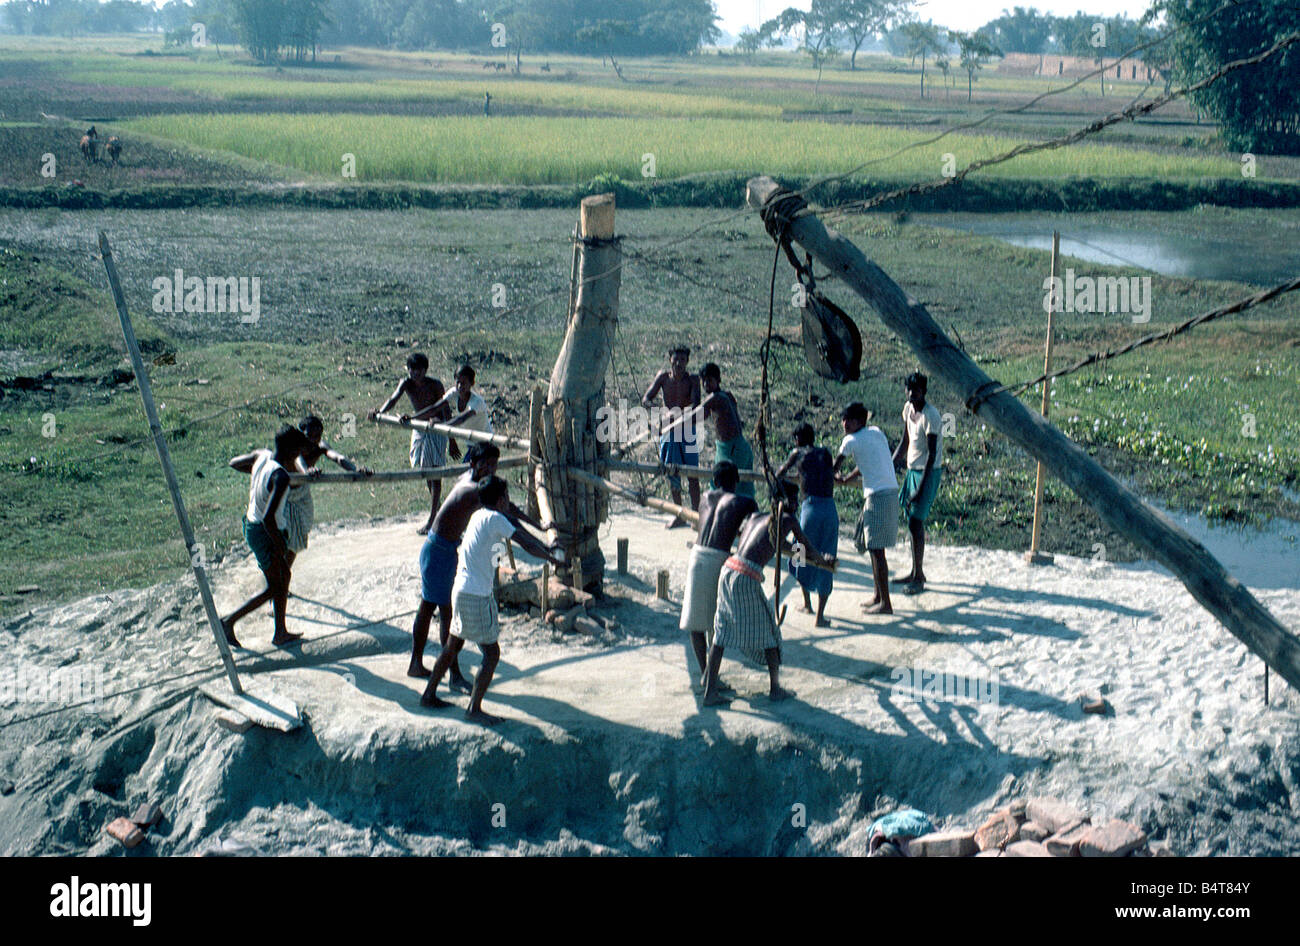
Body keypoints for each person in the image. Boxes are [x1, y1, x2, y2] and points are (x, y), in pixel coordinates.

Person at [420, 476, 562, 725]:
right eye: (506, 497)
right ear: (500, 500)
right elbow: (524, 541)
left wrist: (546, 548)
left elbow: (523, 536)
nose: (509, 501)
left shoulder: (477, 515)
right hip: (476, 594)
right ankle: (474, 708)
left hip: (460, 589)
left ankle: (429, 694)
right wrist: (551, 557)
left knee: (453, 645)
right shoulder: (496, 518)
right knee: (491, 654)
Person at [702, 482, 835, 707]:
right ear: (781, 501)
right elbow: (805, 548)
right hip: (744, 576)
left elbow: (781, 546)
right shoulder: (788, 519)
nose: (795, 503)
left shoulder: (757, 517)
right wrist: (822, 560)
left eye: (796, 499)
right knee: (770, 635)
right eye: (792, 499)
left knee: (721, 634)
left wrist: (807, 556)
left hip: (728, 570)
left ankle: (709, 690)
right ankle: (775, 689)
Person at [221, 425, 312, 648]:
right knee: (275, 586)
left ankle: (280, 631)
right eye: (298, 451)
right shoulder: (280, 477)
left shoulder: (263, 457)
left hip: (254, 525)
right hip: (265, 532)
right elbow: (269, 518)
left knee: (283, 578)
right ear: (291, 451)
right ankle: (228, 622)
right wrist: (280, 544)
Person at [678, 461, 757, 690]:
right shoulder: (745, 501)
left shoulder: (705, 497)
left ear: (714, 481)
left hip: (696, 555)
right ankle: (711, 680)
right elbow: (756, 527)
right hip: (716, 560)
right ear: (737, 481)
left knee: (696, 621)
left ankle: (706, 674)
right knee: (718, 624)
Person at [368, 352, 450, 535]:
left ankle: (433, 518)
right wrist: (379, 413)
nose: (415, 374)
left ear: (425, 370)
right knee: (425, 470)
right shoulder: (406, 383)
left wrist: (451, 439)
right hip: (419, 427)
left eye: (419, 371)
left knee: (434, 472)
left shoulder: (435, 384)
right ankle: (438, 513)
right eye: (412, 370)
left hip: (436, 427)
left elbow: (445, 409)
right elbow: (393, 399)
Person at [833, 403, 899, 615]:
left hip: (878, 495)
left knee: (878, 552)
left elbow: (835, 466)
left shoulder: (850, 440)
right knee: (874, 549)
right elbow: (866, 461)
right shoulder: (876, 432)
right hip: (888, 491)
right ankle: (878, 595)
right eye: (843, 419)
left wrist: (833, 476)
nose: (845, 424)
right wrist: (848, 478)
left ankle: (885, 603)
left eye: (849, 420)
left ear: (860, 421)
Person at [775, 423, 838, 626]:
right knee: (827, 557)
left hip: (810, 508)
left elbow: (780, 473)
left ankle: (807, 604)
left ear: (798, 439)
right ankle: (820, 616)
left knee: (801, 553)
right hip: (829, 509)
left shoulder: (798, 452)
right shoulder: (826, 453)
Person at [892, 372, 943, 595]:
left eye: (917, 391)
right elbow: (905, 441)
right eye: (910, 391)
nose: (913, 396)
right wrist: (890, 464)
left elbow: (932, 456)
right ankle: (915, 572)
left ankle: (919, 576)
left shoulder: (932, 416)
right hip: (912, 470)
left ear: (924, 391)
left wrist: (921, 489)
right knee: (911, 523)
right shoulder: (907, 409)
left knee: (915, 521)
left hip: (928, 472)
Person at [642, 346, 702, 528]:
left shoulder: (693, 380)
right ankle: (679, 514)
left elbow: (697, 403)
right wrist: (662, 413)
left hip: (688, 430)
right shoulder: (663, 377)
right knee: (672, 472)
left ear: (687, 362)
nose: (678, 364)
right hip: (668, 431)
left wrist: (679, 414)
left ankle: (696, 516)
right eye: (675, 360)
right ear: (670, 360)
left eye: (682, 360)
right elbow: (646, 399)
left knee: (692, 474)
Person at [700, 362, 755, 499]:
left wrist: (672, 423)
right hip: (738, 447)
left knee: (721, 486)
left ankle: (718, 517)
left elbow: (696, 416)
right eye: (704, 381)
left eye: (710, 380)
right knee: (742, 487)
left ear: (718, 380)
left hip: (732, 449)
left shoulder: (715, 398)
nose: (706, 384)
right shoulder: (727, 395)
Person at [431, 363, 493, 461]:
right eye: (458, 382)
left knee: (469, 471)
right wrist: (413, 418)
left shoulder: (477, 401)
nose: (460, 386)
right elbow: (435, 407)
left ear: (471, 383)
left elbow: (462, 418)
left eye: (463, 383)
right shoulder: (454, 393)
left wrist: (442, 425)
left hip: (485, 444)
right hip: (472, 443)